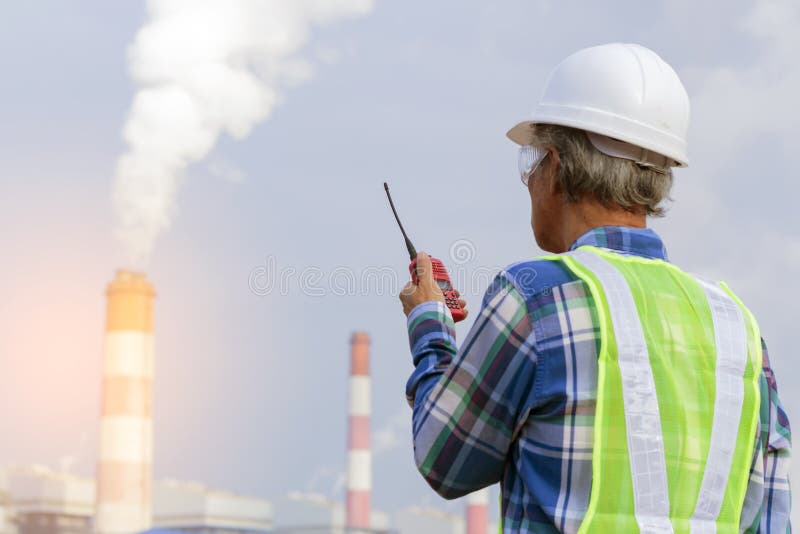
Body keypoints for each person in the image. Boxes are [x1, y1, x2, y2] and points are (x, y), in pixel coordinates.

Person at [398, 43, 791, 533]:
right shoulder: (739, 330)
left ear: (556, 166)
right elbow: (770, 518)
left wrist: (430, 329)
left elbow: (444, 458)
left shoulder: (535, 298)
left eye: (531, 162)